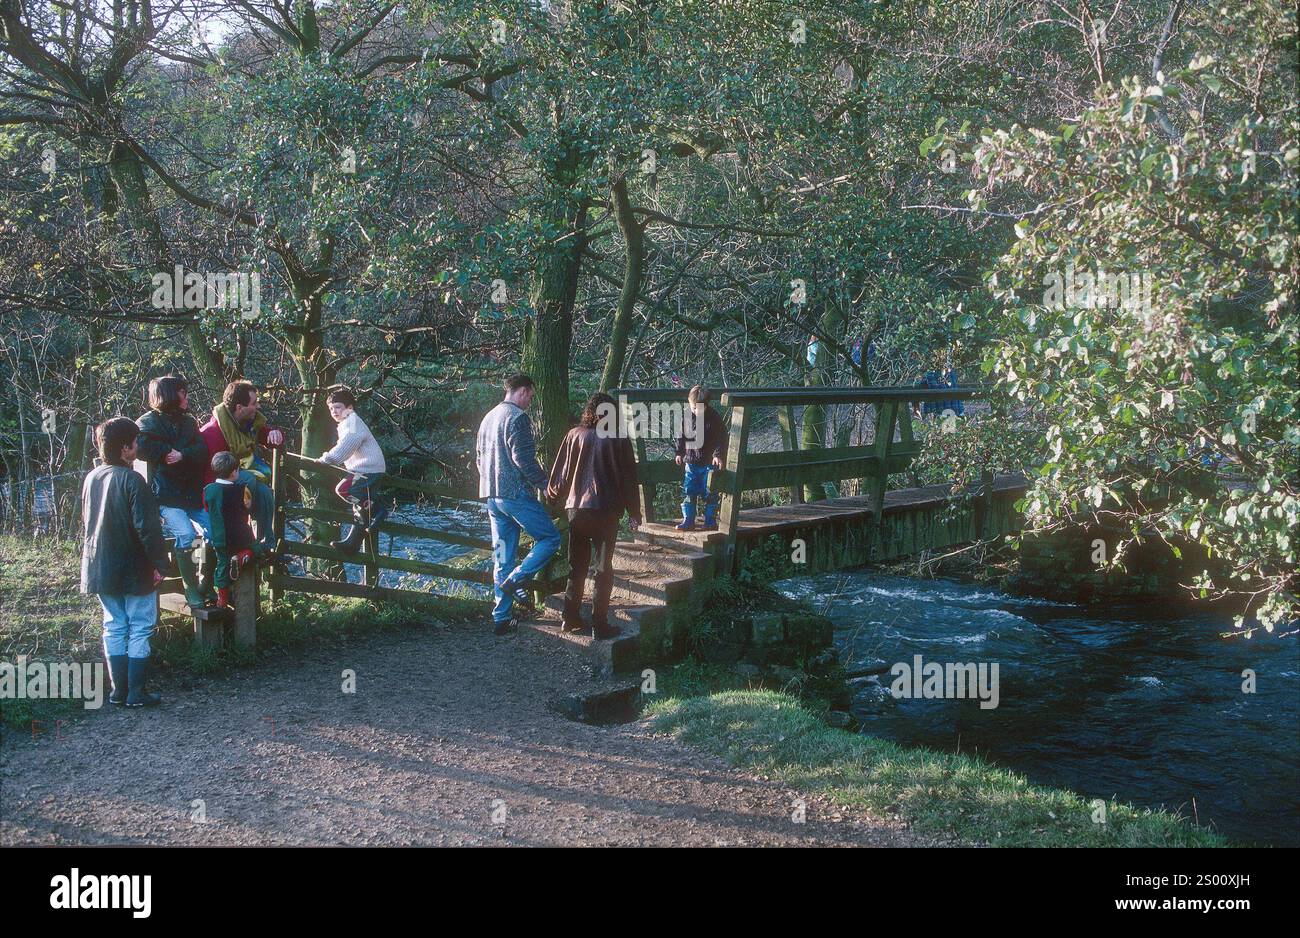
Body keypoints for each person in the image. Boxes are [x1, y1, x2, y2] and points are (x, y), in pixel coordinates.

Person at [81, 417, 172, 708]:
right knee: (141, 625)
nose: (138, 446)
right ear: (125, 448)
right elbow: (147, 528)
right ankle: (136, 692)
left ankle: (118, 692)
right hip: (134, 566)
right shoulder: (134, 480)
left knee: (114, 625)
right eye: (135, 441)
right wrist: (160, 563)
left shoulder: (92, 477)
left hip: (99, 564)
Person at [546, 392, 641, 640]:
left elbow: (561, 473)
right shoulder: (618, 439)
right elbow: (629, 479)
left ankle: (570, 618)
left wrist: (552, 498)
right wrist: (635, 513)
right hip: (606, 511)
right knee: (602, 569)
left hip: (576, 510)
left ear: (589, 411)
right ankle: (599, 625)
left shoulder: (574, 435)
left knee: (576, 567)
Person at [476, 374, 562, 636]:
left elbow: (479, 458)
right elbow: (522, 458)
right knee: (550, 538)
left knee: (502, 557)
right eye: (531, 396)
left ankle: (501, 618)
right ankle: (516, 579)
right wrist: (543, 483)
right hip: (514, 495)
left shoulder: (488, 417)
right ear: (523, 391)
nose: (530, 402)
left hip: (491, 496)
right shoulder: (517, 418)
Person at [135, 375, 211, 608]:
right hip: (166, 495)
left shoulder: (189, 422)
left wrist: (183, 455)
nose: (186, 396)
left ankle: (204, 580)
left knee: (213, 532)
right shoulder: (147, 423)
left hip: (192, 494)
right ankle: (191, 589)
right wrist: (168, 451)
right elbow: (141, 448)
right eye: (182, 392)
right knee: (186, 535)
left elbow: (202, 449)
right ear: (169, 394)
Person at [199, 380, 283, 553]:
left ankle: (266, 543)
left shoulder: (247, 424)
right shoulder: (212, 433)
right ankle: (247, 540)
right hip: (222, 493)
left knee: (266, 493)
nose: (258, 406)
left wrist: (275, 433)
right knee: (249, 480)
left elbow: (262, 434)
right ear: (239, 407)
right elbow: (209, 475)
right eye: (253, 403)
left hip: (238, 484)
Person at [319, 388, 388, 555]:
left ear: (349, 408)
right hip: (365, 468)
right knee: (359, 508)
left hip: (369, 469)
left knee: (344, 489)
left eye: (338, 407)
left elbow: (346, 446)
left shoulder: (353, 423)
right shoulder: (346, 423)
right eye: (331, 408)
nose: (334, 411)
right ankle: (352, 543)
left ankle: (378, 509)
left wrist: (327, 459)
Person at [203, 452, 261, 609]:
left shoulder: (208, 490)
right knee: (257, 549)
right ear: (235, 471)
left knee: (222, 564)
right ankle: (243, 556)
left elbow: (207, 509)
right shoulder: (243, 489)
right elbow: (248, 508)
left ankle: (222, 599)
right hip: (242, 534)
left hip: (220, 536)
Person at [674, 385, 726, 531]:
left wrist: (718, 455)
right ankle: (688, 520)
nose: (696, 411)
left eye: (699, 408)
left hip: (708, 462)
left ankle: (710, 521)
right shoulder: (686, 417)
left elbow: (721, 438)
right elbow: (679, 435)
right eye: (693, 407)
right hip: (691, 461)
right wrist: (678, 452)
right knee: (689, 490)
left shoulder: (714, 418)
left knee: (710, 491)